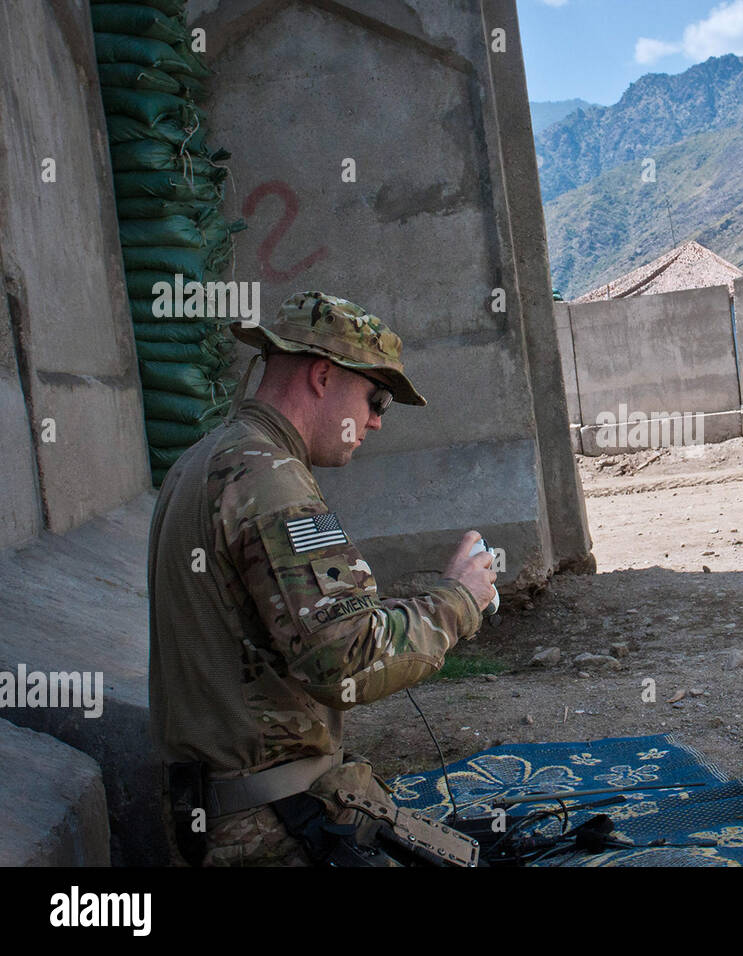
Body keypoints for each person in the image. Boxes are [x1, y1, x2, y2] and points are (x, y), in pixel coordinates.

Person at [147, 291, 497, 866]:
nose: (378, 421)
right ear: (322, 375)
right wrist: (460, 600)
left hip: (226, 809)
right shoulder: (270, 482)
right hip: (271, 827)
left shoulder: (205, 459)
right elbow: (346, 661)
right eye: (376, 397)